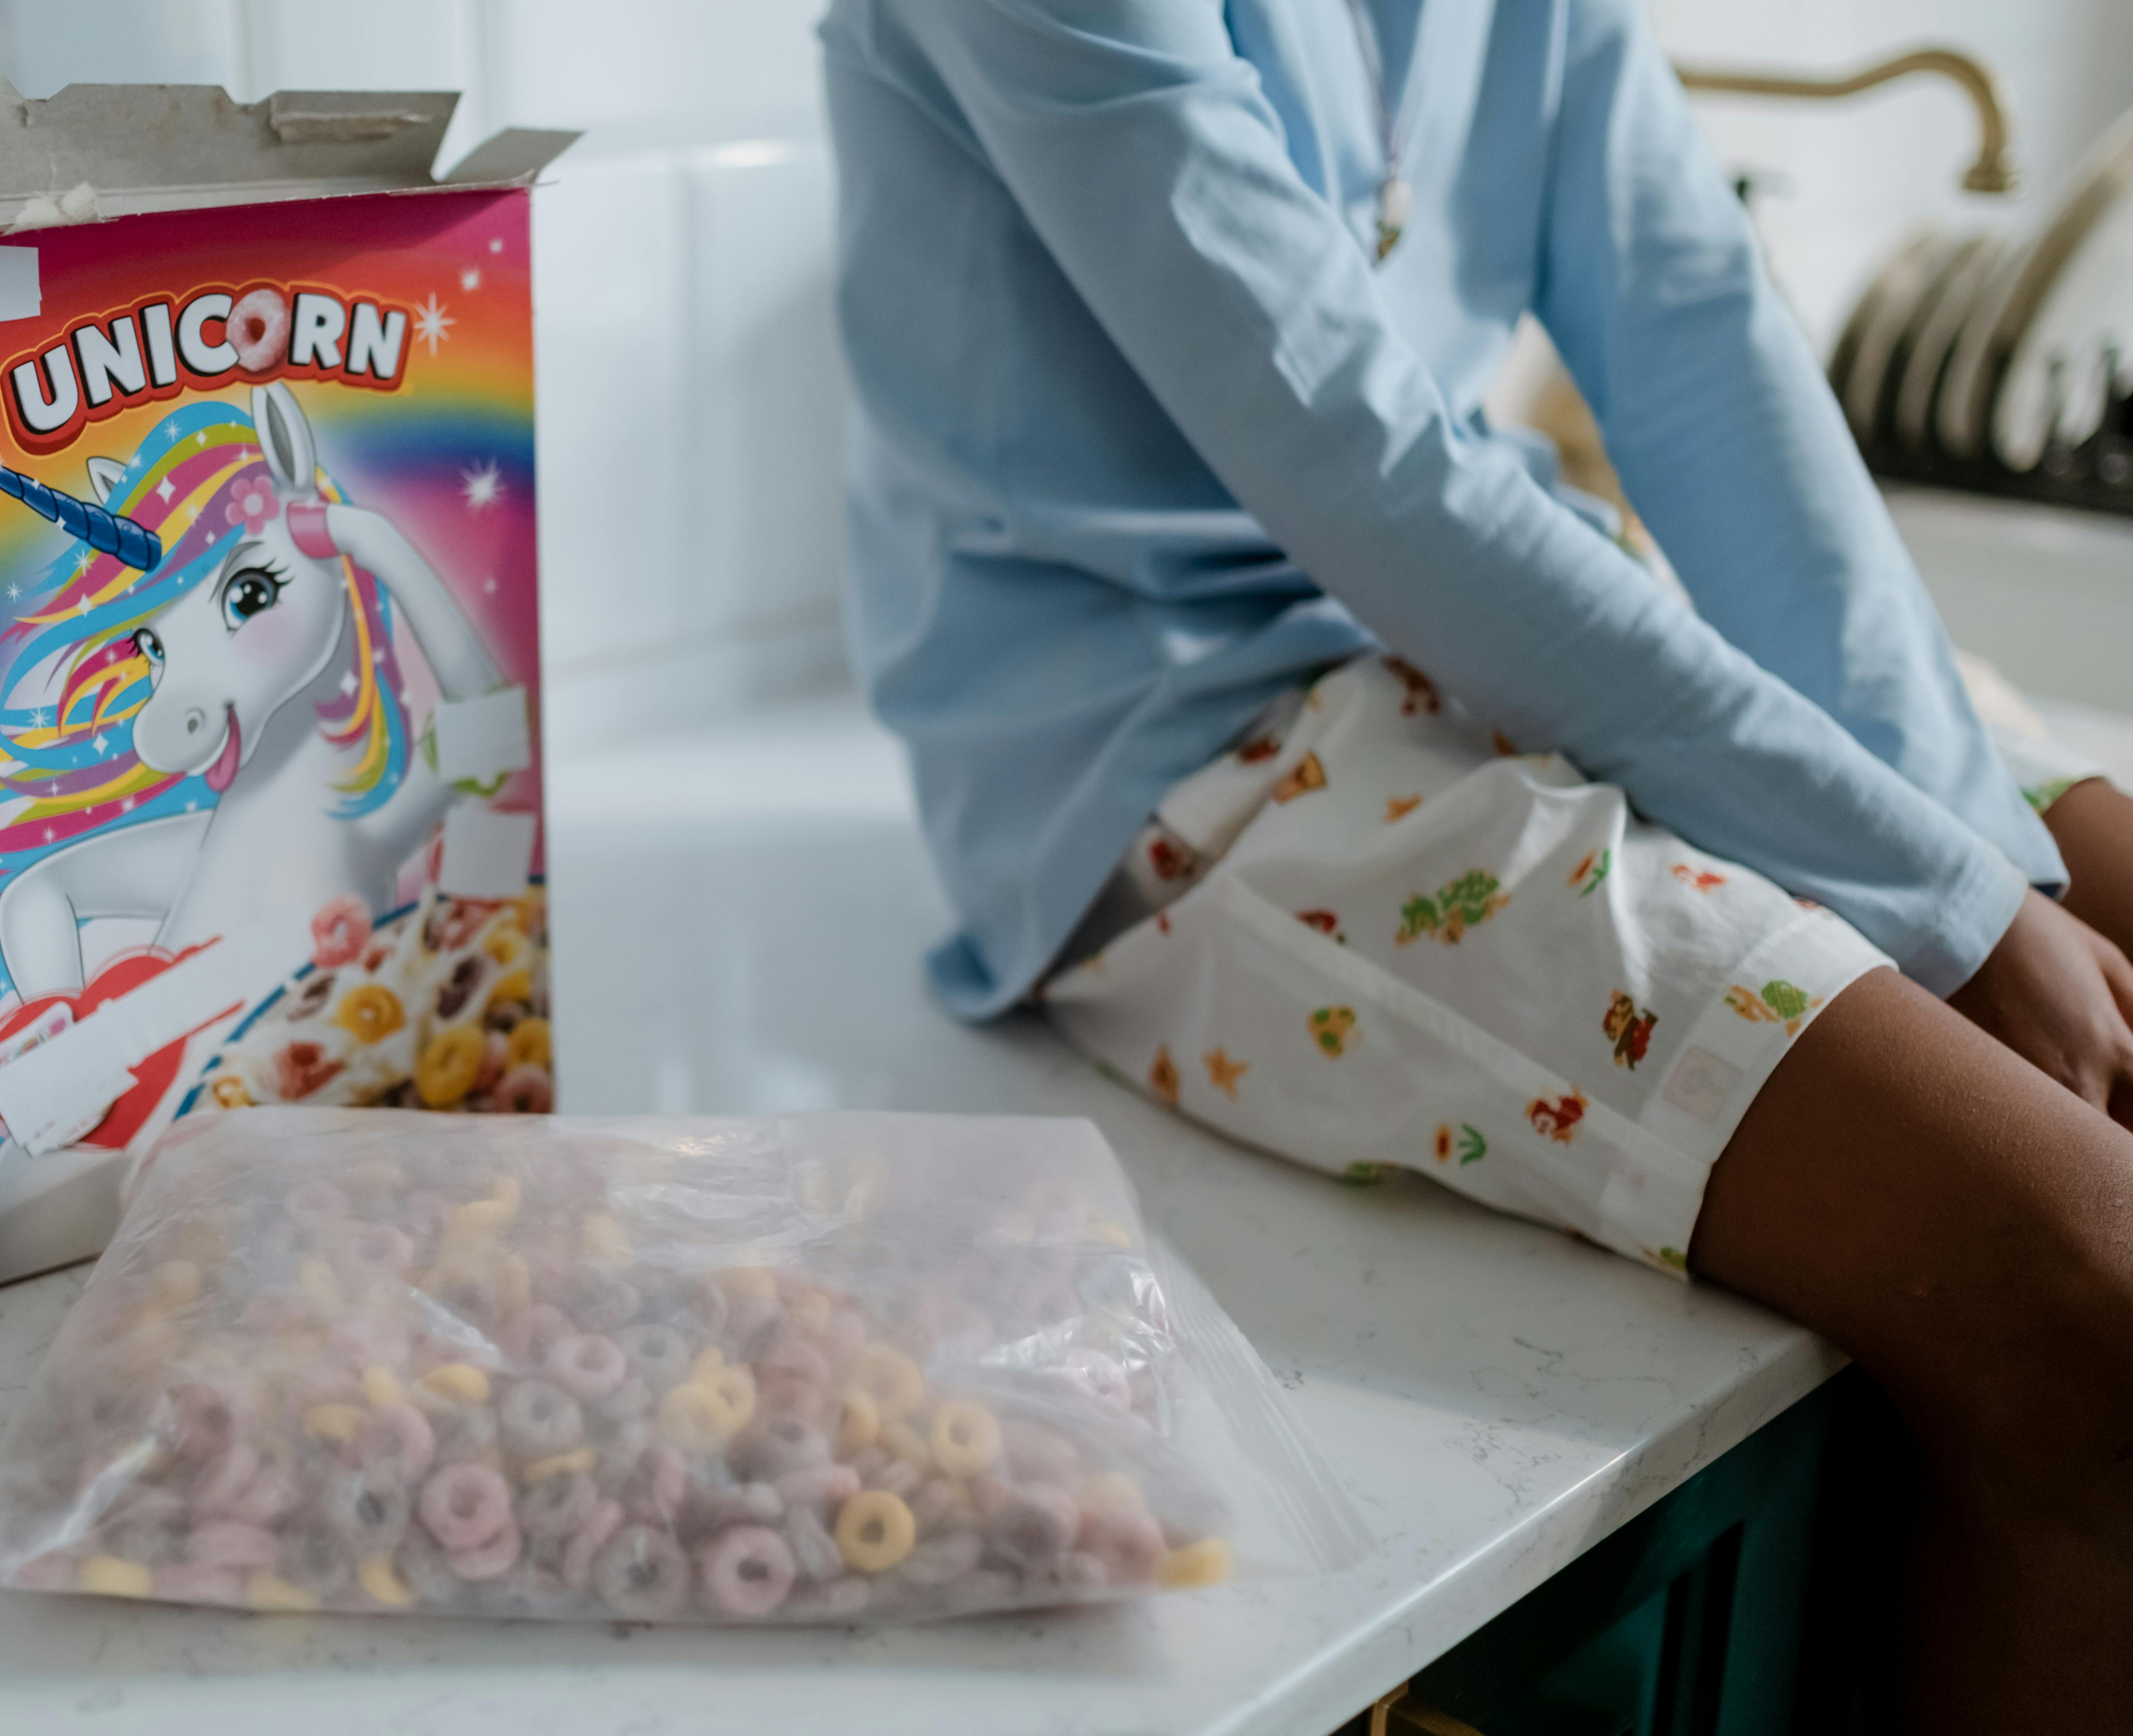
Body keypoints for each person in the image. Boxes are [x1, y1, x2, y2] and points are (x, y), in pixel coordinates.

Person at [820, 0, 2133, 1725]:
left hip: (1500, 623)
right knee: (2091, 1281)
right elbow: (1358, 450)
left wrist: (1957, 838)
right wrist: (1944, 907)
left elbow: (1692, 334)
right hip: (1187, 740)